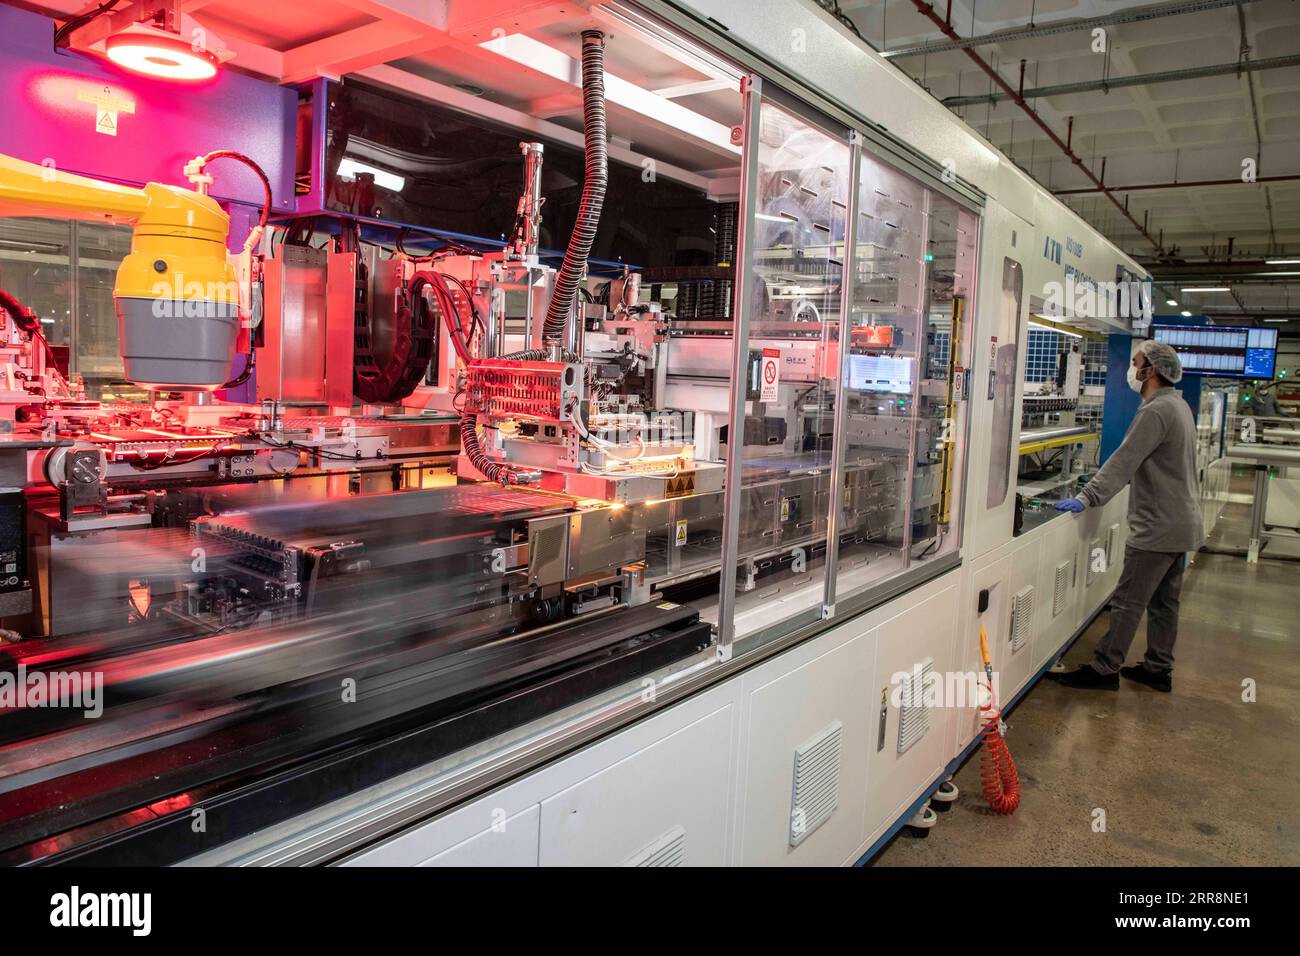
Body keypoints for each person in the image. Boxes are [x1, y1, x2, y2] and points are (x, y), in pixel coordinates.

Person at [1049, 339, 1204, 692]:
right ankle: (1158, 667)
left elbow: (1124, 460)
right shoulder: (1177, 406)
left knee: (1129, 600)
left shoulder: (1155, 411)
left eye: (1136, 363)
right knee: (1165, 602)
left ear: (1151, 370)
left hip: (1159, 526)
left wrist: (1088, 496)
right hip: (1182, 522)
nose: (1131, 371)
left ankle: (1105, 669)